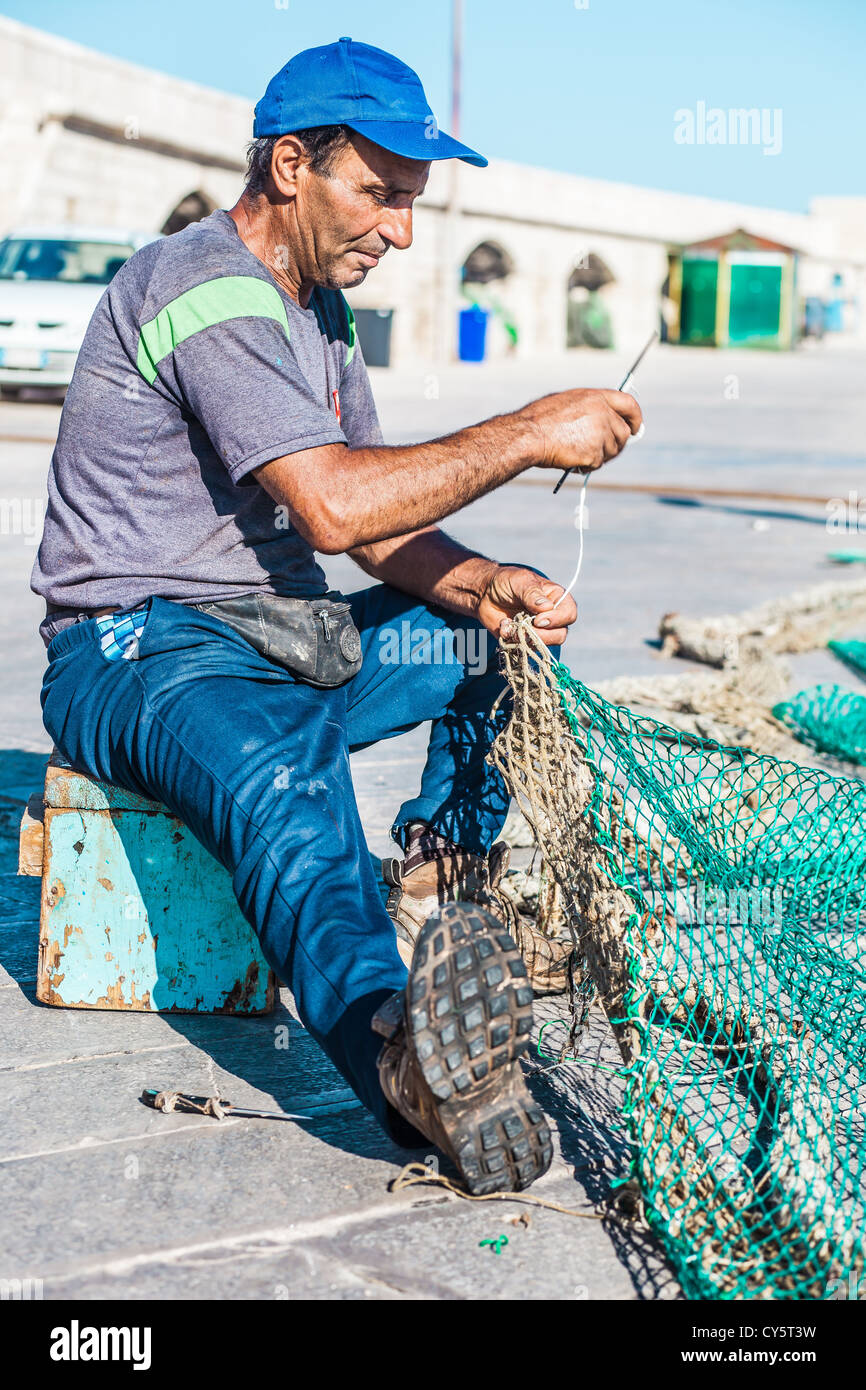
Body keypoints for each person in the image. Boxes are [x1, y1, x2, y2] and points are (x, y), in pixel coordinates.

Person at [32, 38, 642, 1194]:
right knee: (287, 794)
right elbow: (331, 506)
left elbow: (372, 525)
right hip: (142, 648)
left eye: (410, 206)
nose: (400, 234)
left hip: (284, 639)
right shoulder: (202, 285)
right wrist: (524, 430)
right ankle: (399, 1056)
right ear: (288, 164)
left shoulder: (314, 312)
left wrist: (480, 588)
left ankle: (439, 889)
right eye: (380, 196)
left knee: (491, 639)